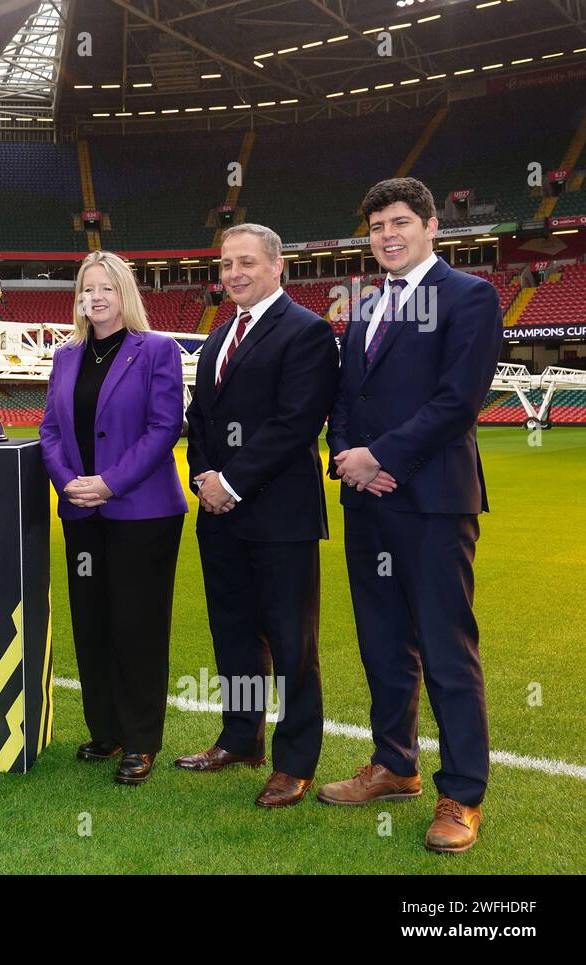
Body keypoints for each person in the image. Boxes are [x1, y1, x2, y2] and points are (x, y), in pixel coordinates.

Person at [322, 177, 503, 853]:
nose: (387, 235)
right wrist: (346, 455)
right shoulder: (367, 306)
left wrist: (381, 455)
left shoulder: (470, 296)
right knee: (382, 642)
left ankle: (462, 793)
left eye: (400, 221)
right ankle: (396, 763)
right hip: (367, 502)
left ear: (432, 226)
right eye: (376, 227)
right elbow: (346, 397)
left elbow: (459, 399)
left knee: (447, 651)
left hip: (431, 501)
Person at [176, 223, 340, 807]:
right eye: (225, 265)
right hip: (219, 516)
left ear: (277, 266)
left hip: (280, 517)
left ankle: (295, 762)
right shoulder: (218, 338)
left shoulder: (308, 332)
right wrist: (204, 480)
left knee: (293, 645)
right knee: (235, 636)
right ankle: (241, 738)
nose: (233, 273)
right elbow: (201, 419)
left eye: (246, 262)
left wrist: (233, 481)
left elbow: (296, 424)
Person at [38, 250, 188, 786]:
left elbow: (164, 428)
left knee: (138, 626)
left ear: (125, 293)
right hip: (81, 512)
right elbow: (50, 431)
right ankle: (107, 731)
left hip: (141, 513)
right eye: (86, 289)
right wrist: (68, 482)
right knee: (93, 622)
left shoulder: (156, 351)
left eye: (106, 287)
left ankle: (141, 740)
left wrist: (109, 482)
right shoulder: (65, 357)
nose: (95, 297)